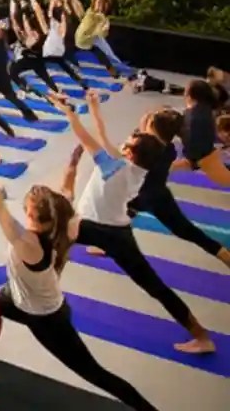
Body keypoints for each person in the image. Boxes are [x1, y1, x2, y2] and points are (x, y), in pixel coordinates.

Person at [0, 147, 159, 410]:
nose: (24, 212)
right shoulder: (65, 221)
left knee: (95, 373)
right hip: (16, 297)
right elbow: (67, 184)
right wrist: (73, 161)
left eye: (27, 209)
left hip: (46, 318)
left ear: (34, 218)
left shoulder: (29, 243)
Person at [50, 89, 215, 353]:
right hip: (108, 229)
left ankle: (202, 338)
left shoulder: (112, 165)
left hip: (101, 230)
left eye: (128, 143)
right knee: (59, 240)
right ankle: (201, 336)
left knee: (153, 286)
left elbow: (85, 136)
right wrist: (94, 107)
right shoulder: (140, 167)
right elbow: (103, 134)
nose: (124, 142)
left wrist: (69, 112)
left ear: (128, 154)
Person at [127, 108, 230, 268]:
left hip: (139, 196)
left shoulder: (144, 149)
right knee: (186, 230)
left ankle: (106, 242)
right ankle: (222, 253)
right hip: (160, 195)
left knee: (113, 215)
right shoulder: (170, 150)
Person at [169, 79, 230, 186]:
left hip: (207, 164)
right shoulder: (205, 110)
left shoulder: (193, 118)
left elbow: (194, 159)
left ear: (189, 95)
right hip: (207, 158)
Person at [71, 0, 121, 77]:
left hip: (88, 38)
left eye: (100, 3)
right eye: (98, 3)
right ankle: (114, 67)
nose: (99, 5)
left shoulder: (99, 15)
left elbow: (101, 33)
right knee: (102, 49)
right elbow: (100, 32)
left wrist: (104, 27)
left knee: (101, 50)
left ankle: (113, 68)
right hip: (84, 37)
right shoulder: (92, 12)